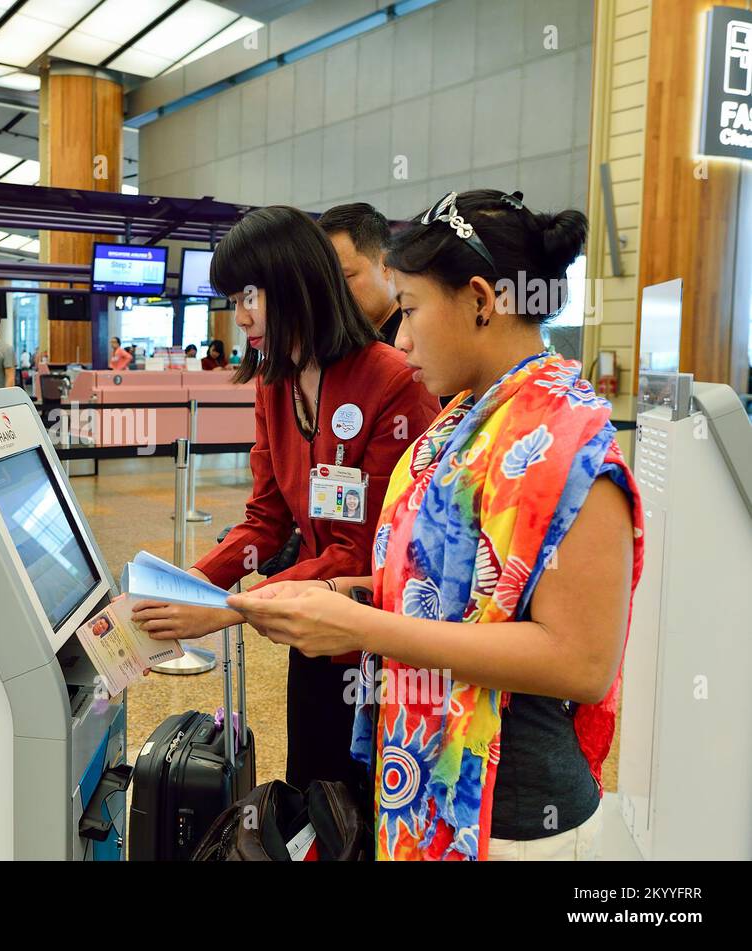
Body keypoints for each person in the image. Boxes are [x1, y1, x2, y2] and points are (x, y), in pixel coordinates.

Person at [227, 190, 643, 862]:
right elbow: (439, 586)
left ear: (480, 299)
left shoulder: (574, 446)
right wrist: (345, 593)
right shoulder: (462, 425)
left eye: (412, 309)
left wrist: (362, 627)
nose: (401, 337)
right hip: (427, 792)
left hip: (513, 821)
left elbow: (581, 661)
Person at [132, 205, 439, 790]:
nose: (240, 314)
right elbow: (265, 521)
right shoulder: (275, 385)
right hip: (309, 633)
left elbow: (365, 551)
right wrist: (186, 586)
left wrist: (228, 610)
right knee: (312, 797)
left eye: (252, 294)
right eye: (233, 298)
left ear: (298, 284)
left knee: (367, 809)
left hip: (379, 643)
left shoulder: (393, 382)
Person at [319, 202, 402, 344]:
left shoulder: (413, 343)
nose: (333, 293)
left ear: (387, 264)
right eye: (325, 283)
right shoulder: (343, 347)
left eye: (345, 278)